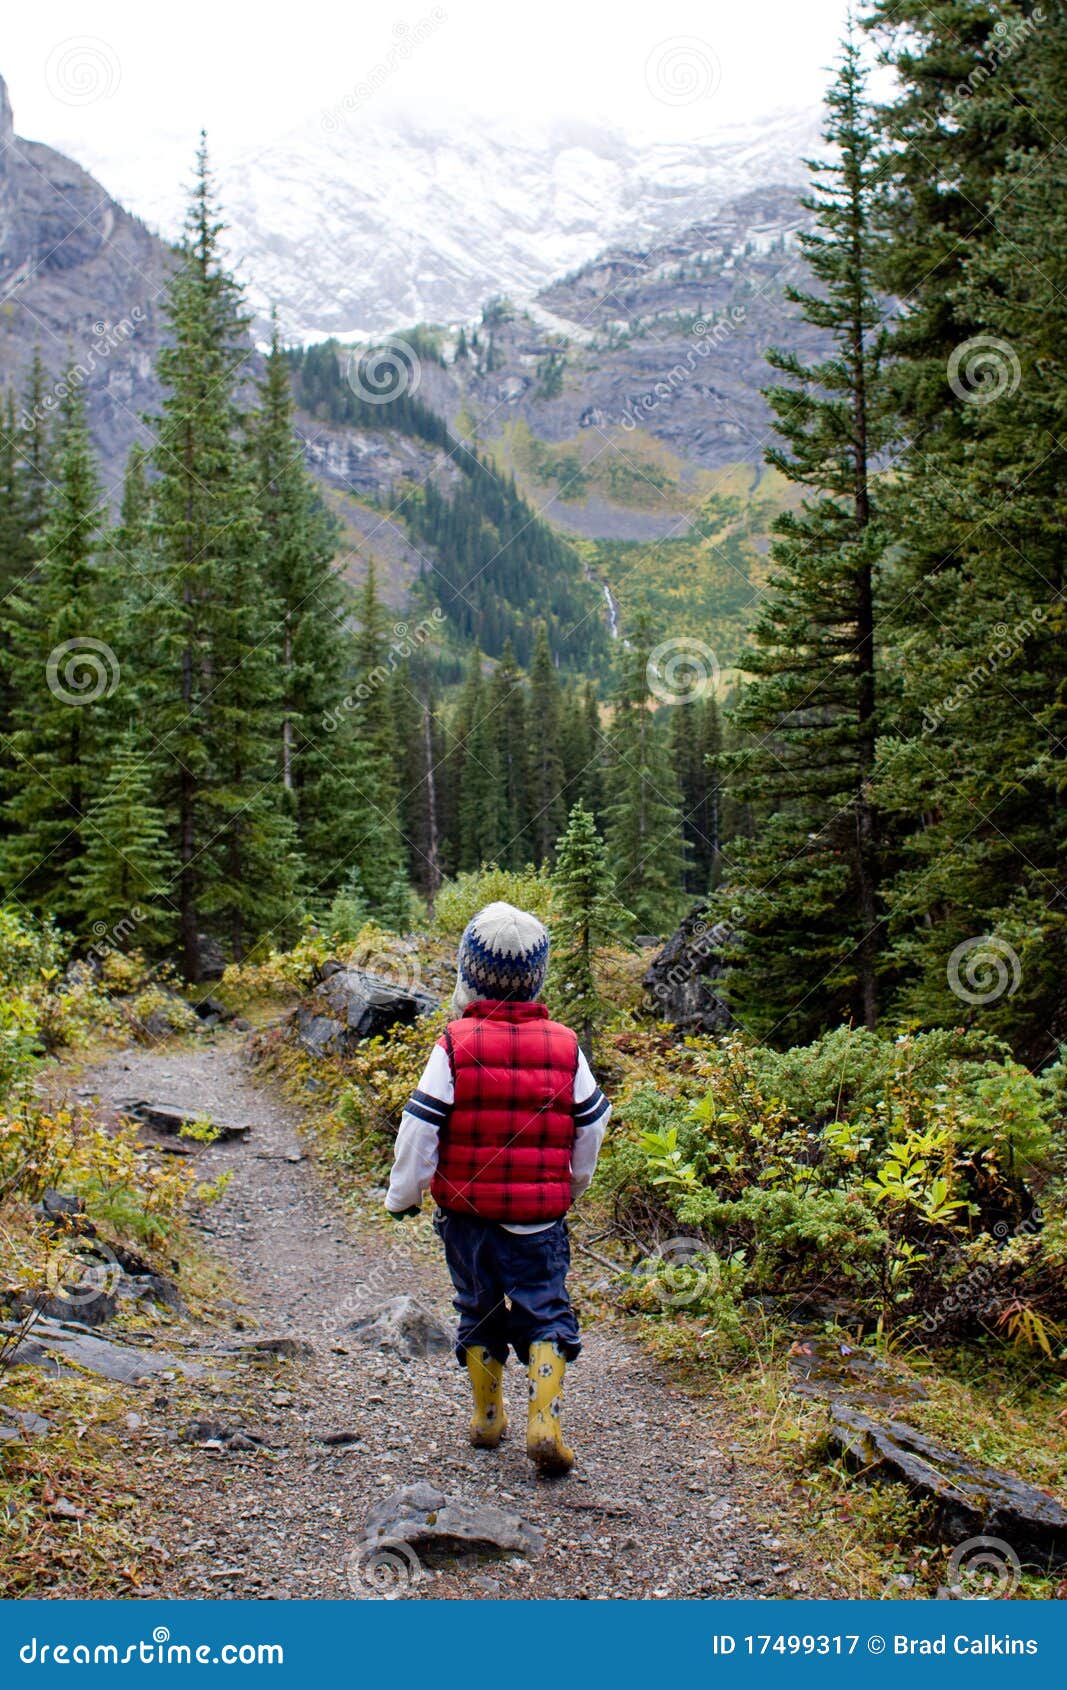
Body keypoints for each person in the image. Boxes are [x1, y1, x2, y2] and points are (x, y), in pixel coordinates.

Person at [385, 901, 611, 1476]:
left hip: (466, 1219)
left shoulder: (454, 1044)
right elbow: (591, 1123)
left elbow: (420, 1125)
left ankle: (488, 1416)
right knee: (546, 1312)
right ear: (538, 976)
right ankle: (545, 1421)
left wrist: (403, 1195)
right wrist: (572, 1184)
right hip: (539, 1221)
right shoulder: (565, 1044)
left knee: (477, 1310)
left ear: (469, 970)